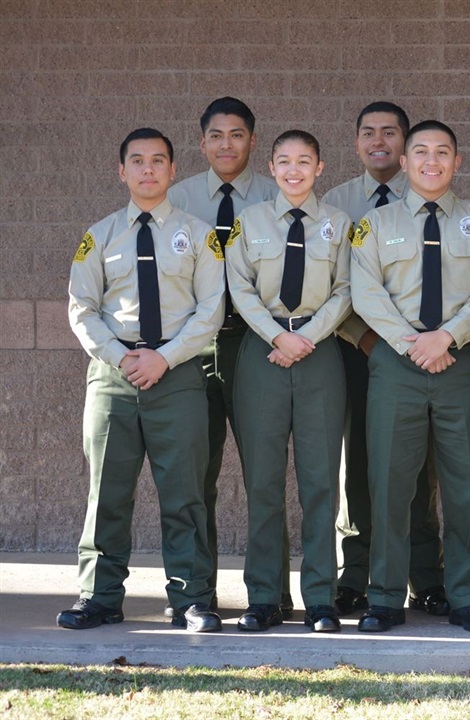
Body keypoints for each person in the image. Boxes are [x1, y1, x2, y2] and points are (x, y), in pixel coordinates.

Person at [61, 127, 224, 633]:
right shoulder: (99, 235)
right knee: (107, 493)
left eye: (158, 161)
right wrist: (122, 357)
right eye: (137, 161)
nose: (148, 169)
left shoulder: (200, 235)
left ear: (173, 171)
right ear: (122, 171)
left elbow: (211, 309)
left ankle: (191, 600)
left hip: (177, 375)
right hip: (114, 377)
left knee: (185, 494)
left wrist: (164, 359)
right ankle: (99, 597)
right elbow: (82, 309)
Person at [350, 120, 470, 634]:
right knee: (390, 485)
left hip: (462, 361)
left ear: (458, 161)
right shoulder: (375, 224)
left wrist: (448, 336)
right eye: (420, 152)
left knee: (465, 486)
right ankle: (385, 598)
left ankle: (468, 598)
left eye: (442, 152)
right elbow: (366, 293)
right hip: (397, 363)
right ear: (405, 161)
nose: (431, 161)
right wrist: (412, 343)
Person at [323, 102, 449, 618]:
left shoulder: (428, 193)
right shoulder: (336, 202)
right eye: (369, 133)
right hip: (358, 350)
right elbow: (334, 284)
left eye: (390, 133)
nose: (379, 141)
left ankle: (426, 575)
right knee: (360, 464)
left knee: (420, 468)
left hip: (424, 354)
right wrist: (365, 339)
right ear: (356, 142)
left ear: (405, 146)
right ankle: (356, 574)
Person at [225, 130, 352, 633]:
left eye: (304, 161)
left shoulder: (340, 224)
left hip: (320, 353)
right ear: (271, 167)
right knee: (263, 480)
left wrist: (306, 337)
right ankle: (265, 597)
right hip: (263, 351)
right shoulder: (248, 222)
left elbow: (346, 289)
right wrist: (278, 336)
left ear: (320, 167)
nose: (293, 170)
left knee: (320, 481)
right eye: (284, 161)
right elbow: (239, 287)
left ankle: (321, 598)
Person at [167, 97, 284, 618]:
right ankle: (196, 594)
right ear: (202, 143)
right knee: (196, 473)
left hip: (256, 344)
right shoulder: (178, 198)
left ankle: (269, 593)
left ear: (253, 141)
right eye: (216, 135)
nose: (226, 144)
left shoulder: (276, 194)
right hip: (193, 347)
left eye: (237, 135)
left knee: (264, 472)